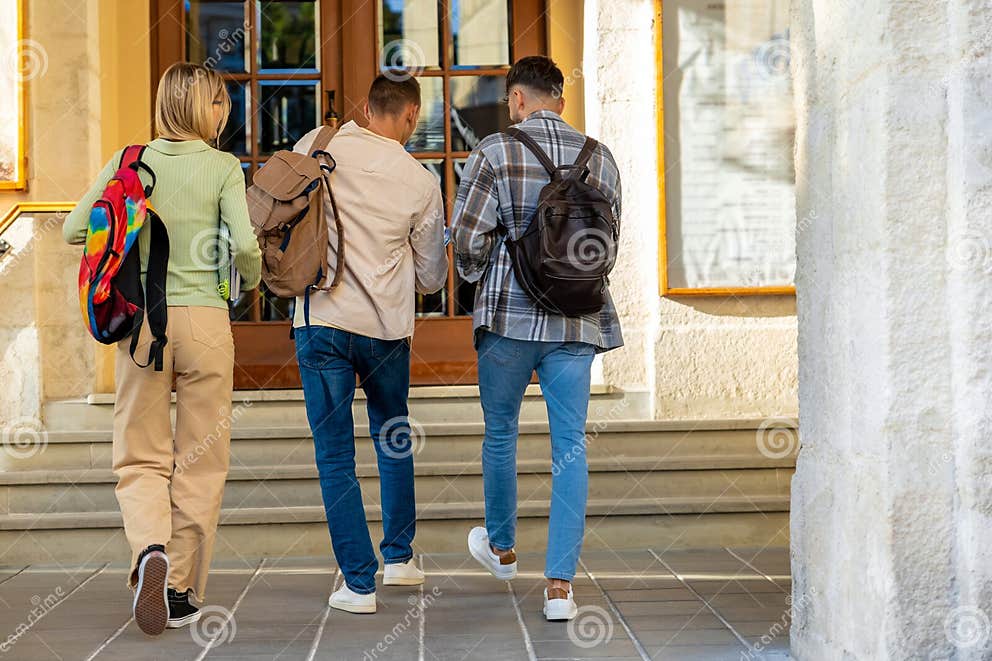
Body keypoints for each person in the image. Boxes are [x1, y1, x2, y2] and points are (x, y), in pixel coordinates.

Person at [62, 62, 261, 636]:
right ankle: (178, 591)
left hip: (142, 328)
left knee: (140, 456)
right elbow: (245, 248)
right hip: (205, 324)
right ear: (206, 108)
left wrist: (131, 231)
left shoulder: (133, 160)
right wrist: (242, 280)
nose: (225, 111)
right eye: (220, 102)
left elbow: (78, 228)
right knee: (201, 461)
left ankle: (149, 550)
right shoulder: (223, 166)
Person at [450, 56, 623, 621]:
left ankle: (501, 550)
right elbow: (606, 247)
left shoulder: (494, 152)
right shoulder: (601, 158)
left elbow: (468, 240)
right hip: (577, 319)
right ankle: (559, 590)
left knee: (500, 431)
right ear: (561, 101)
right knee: (570, 446)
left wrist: (483, 277)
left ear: (516, 99)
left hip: (508, 317)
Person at [292, 74, 447, 614]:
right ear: (410, 115)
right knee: (392, 437)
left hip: (320, 319)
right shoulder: (420, 181)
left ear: (363, 106)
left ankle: (359, 584)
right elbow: (431, 277)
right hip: (384, 332)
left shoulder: (317, 143)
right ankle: (399, 558)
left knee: (335, 454)